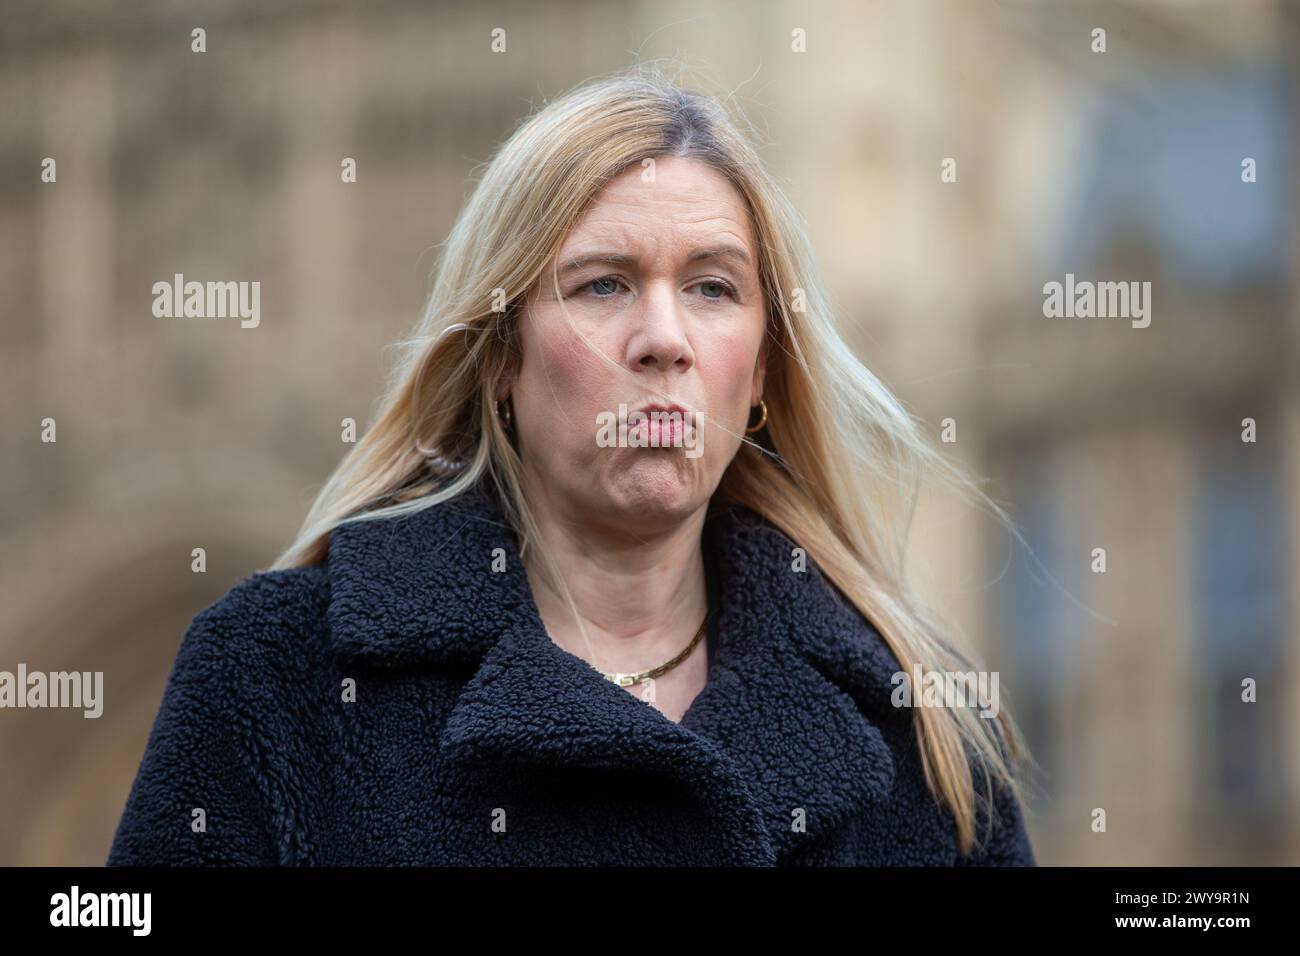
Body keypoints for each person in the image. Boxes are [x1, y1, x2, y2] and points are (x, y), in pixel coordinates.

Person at [107, 63, 1037, 866]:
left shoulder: (917, 730)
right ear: (501, 357)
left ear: (760, 371)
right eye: (604, 285)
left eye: (713, 288)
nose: (663, 339)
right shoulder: (276, 676)